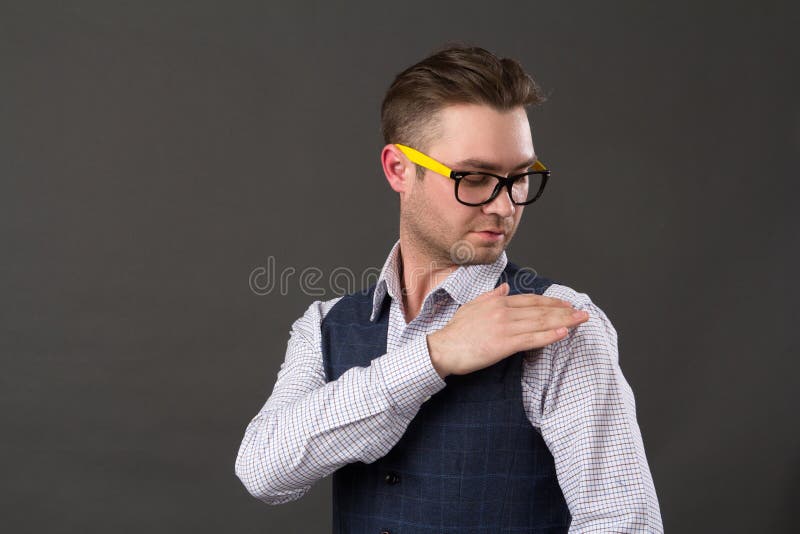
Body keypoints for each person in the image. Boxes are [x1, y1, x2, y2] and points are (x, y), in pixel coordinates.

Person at [235, 45, 663, 533]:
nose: (505, 207)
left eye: (520, 177)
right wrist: (434, 356)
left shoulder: (561, 323)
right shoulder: (326, 325)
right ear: (399, 169)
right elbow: (262, 471)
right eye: (476, 178)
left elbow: (624, 523)